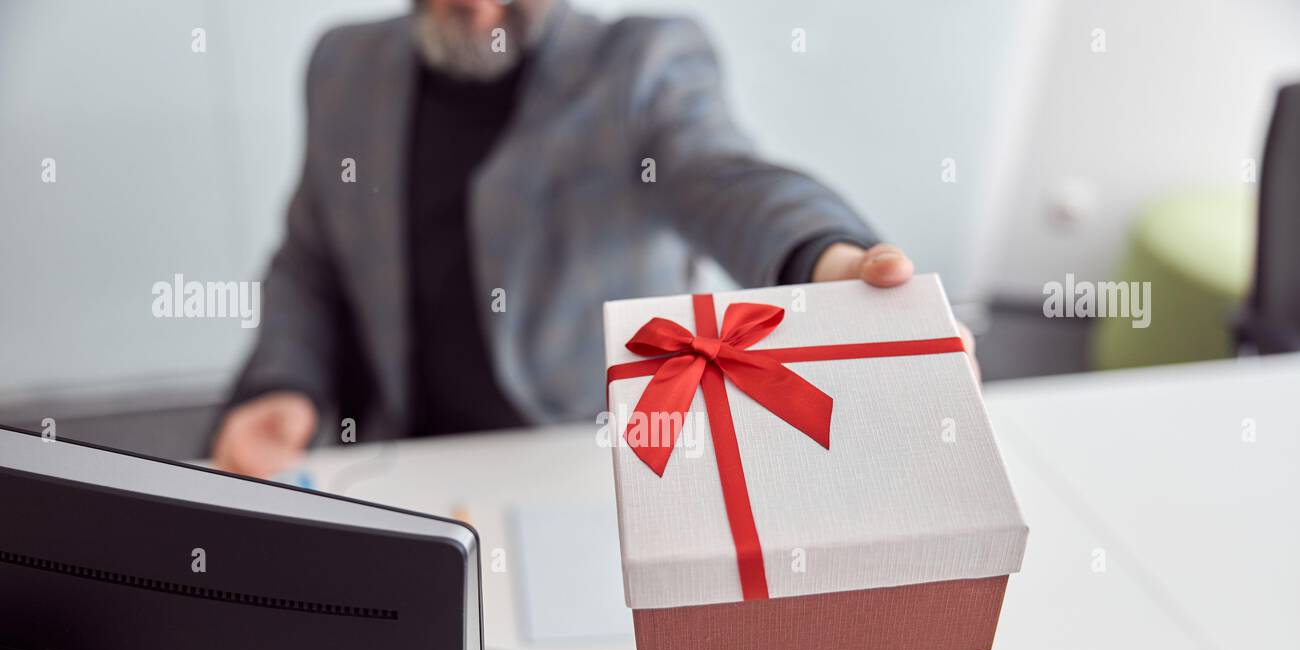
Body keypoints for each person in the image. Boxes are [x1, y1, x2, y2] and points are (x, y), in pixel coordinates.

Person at [212, 0, 967, 478]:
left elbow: (727, 179)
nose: (479, 12)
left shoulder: (641, 65)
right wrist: (282, 383)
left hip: (593, 460)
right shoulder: (342, 64)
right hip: (405, 455)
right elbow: (310, 259)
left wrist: (823, 258)